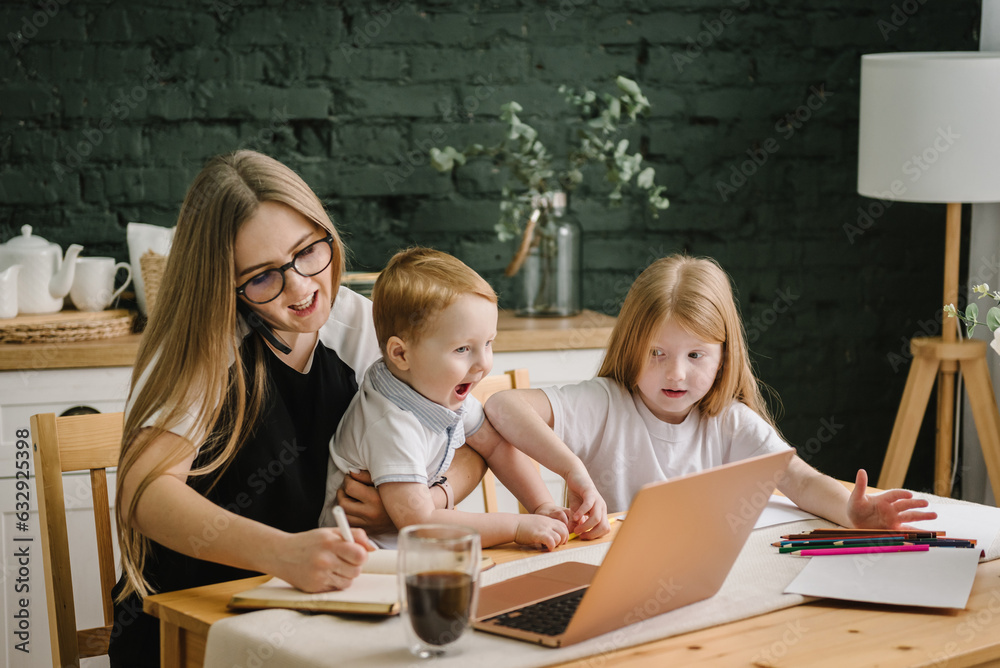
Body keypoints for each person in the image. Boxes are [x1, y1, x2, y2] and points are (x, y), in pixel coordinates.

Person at [109, 152, 486, 666]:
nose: (302, 288)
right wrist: (282, 554)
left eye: (309, 252)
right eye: (262, 277)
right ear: (224, 282)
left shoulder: (369, 328)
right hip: (197, 626)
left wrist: (421, 502)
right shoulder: (204, 347)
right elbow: (142, 493)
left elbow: (474, 443)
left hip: (319, 615)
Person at [484, 254, 938, 529]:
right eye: (657, 353)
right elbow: (503, 405)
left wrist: (852, 513)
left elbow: (798, 480)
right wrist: (573, 471)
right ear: (630, 346)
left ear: (724, 355)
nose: (676, 374)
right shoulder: (605, 403)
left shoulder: (728, 420)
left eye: (695, 356)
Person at [319, 247, 609, 549]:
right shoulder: (390, 424)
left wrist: (541, 506)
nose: (483, 363)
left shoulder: (432, 389)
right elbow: (422, 523)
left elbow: (495, 444)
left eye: (488, 343)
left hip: (411, 554)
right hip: (368, 567)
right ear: (401, 354)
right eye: (462, 349)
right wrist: (517, 525)